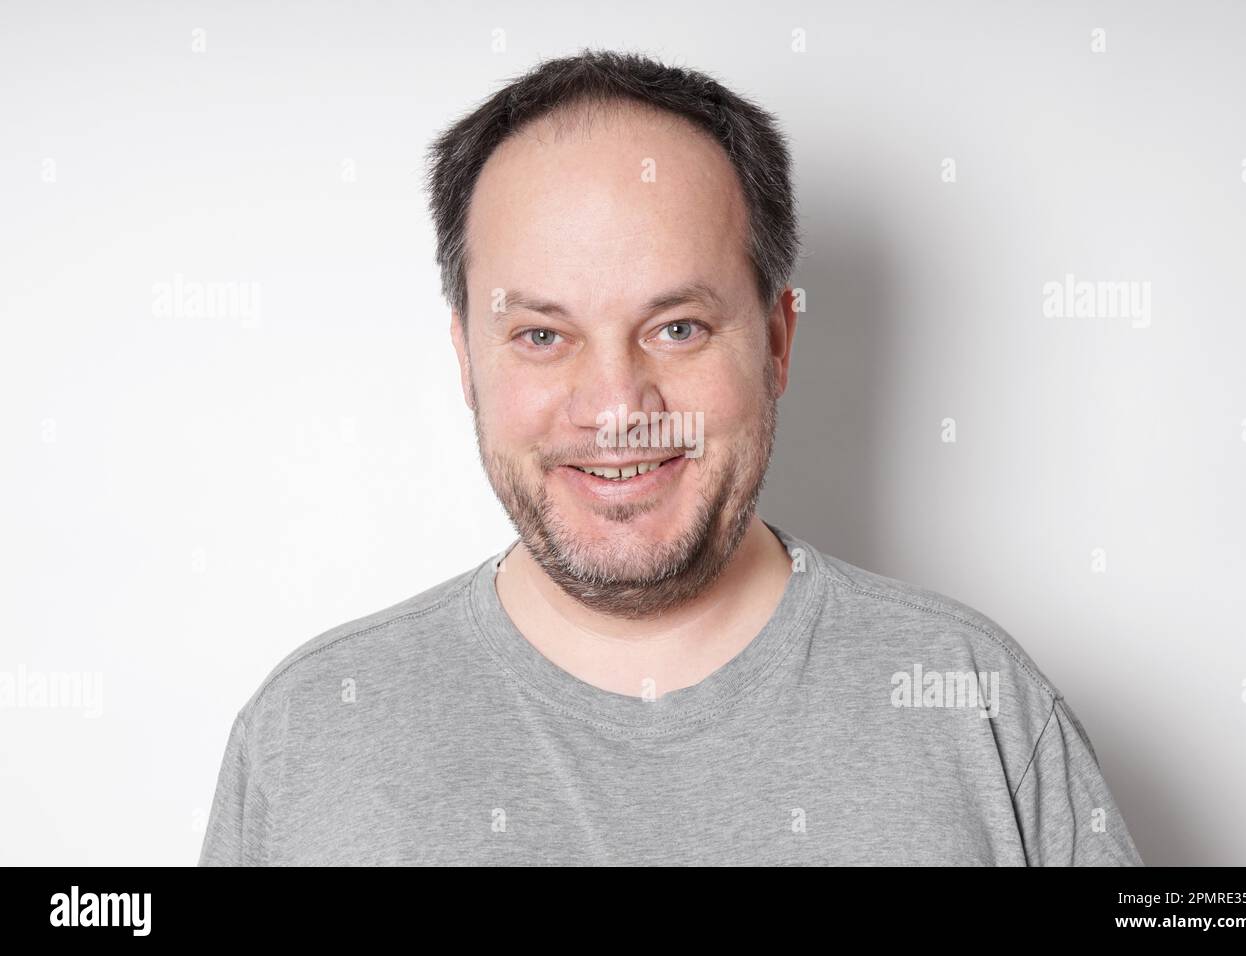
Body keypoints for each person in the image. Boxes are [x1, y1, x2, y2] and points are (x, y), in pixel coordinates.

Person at [199, 49, 1142, 866]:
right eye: (541, 335)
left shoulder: (979, 707)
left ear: (776, 343)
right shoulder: (310, 735)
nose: (616, 408)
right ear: (466, 361)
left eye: (678, 327)